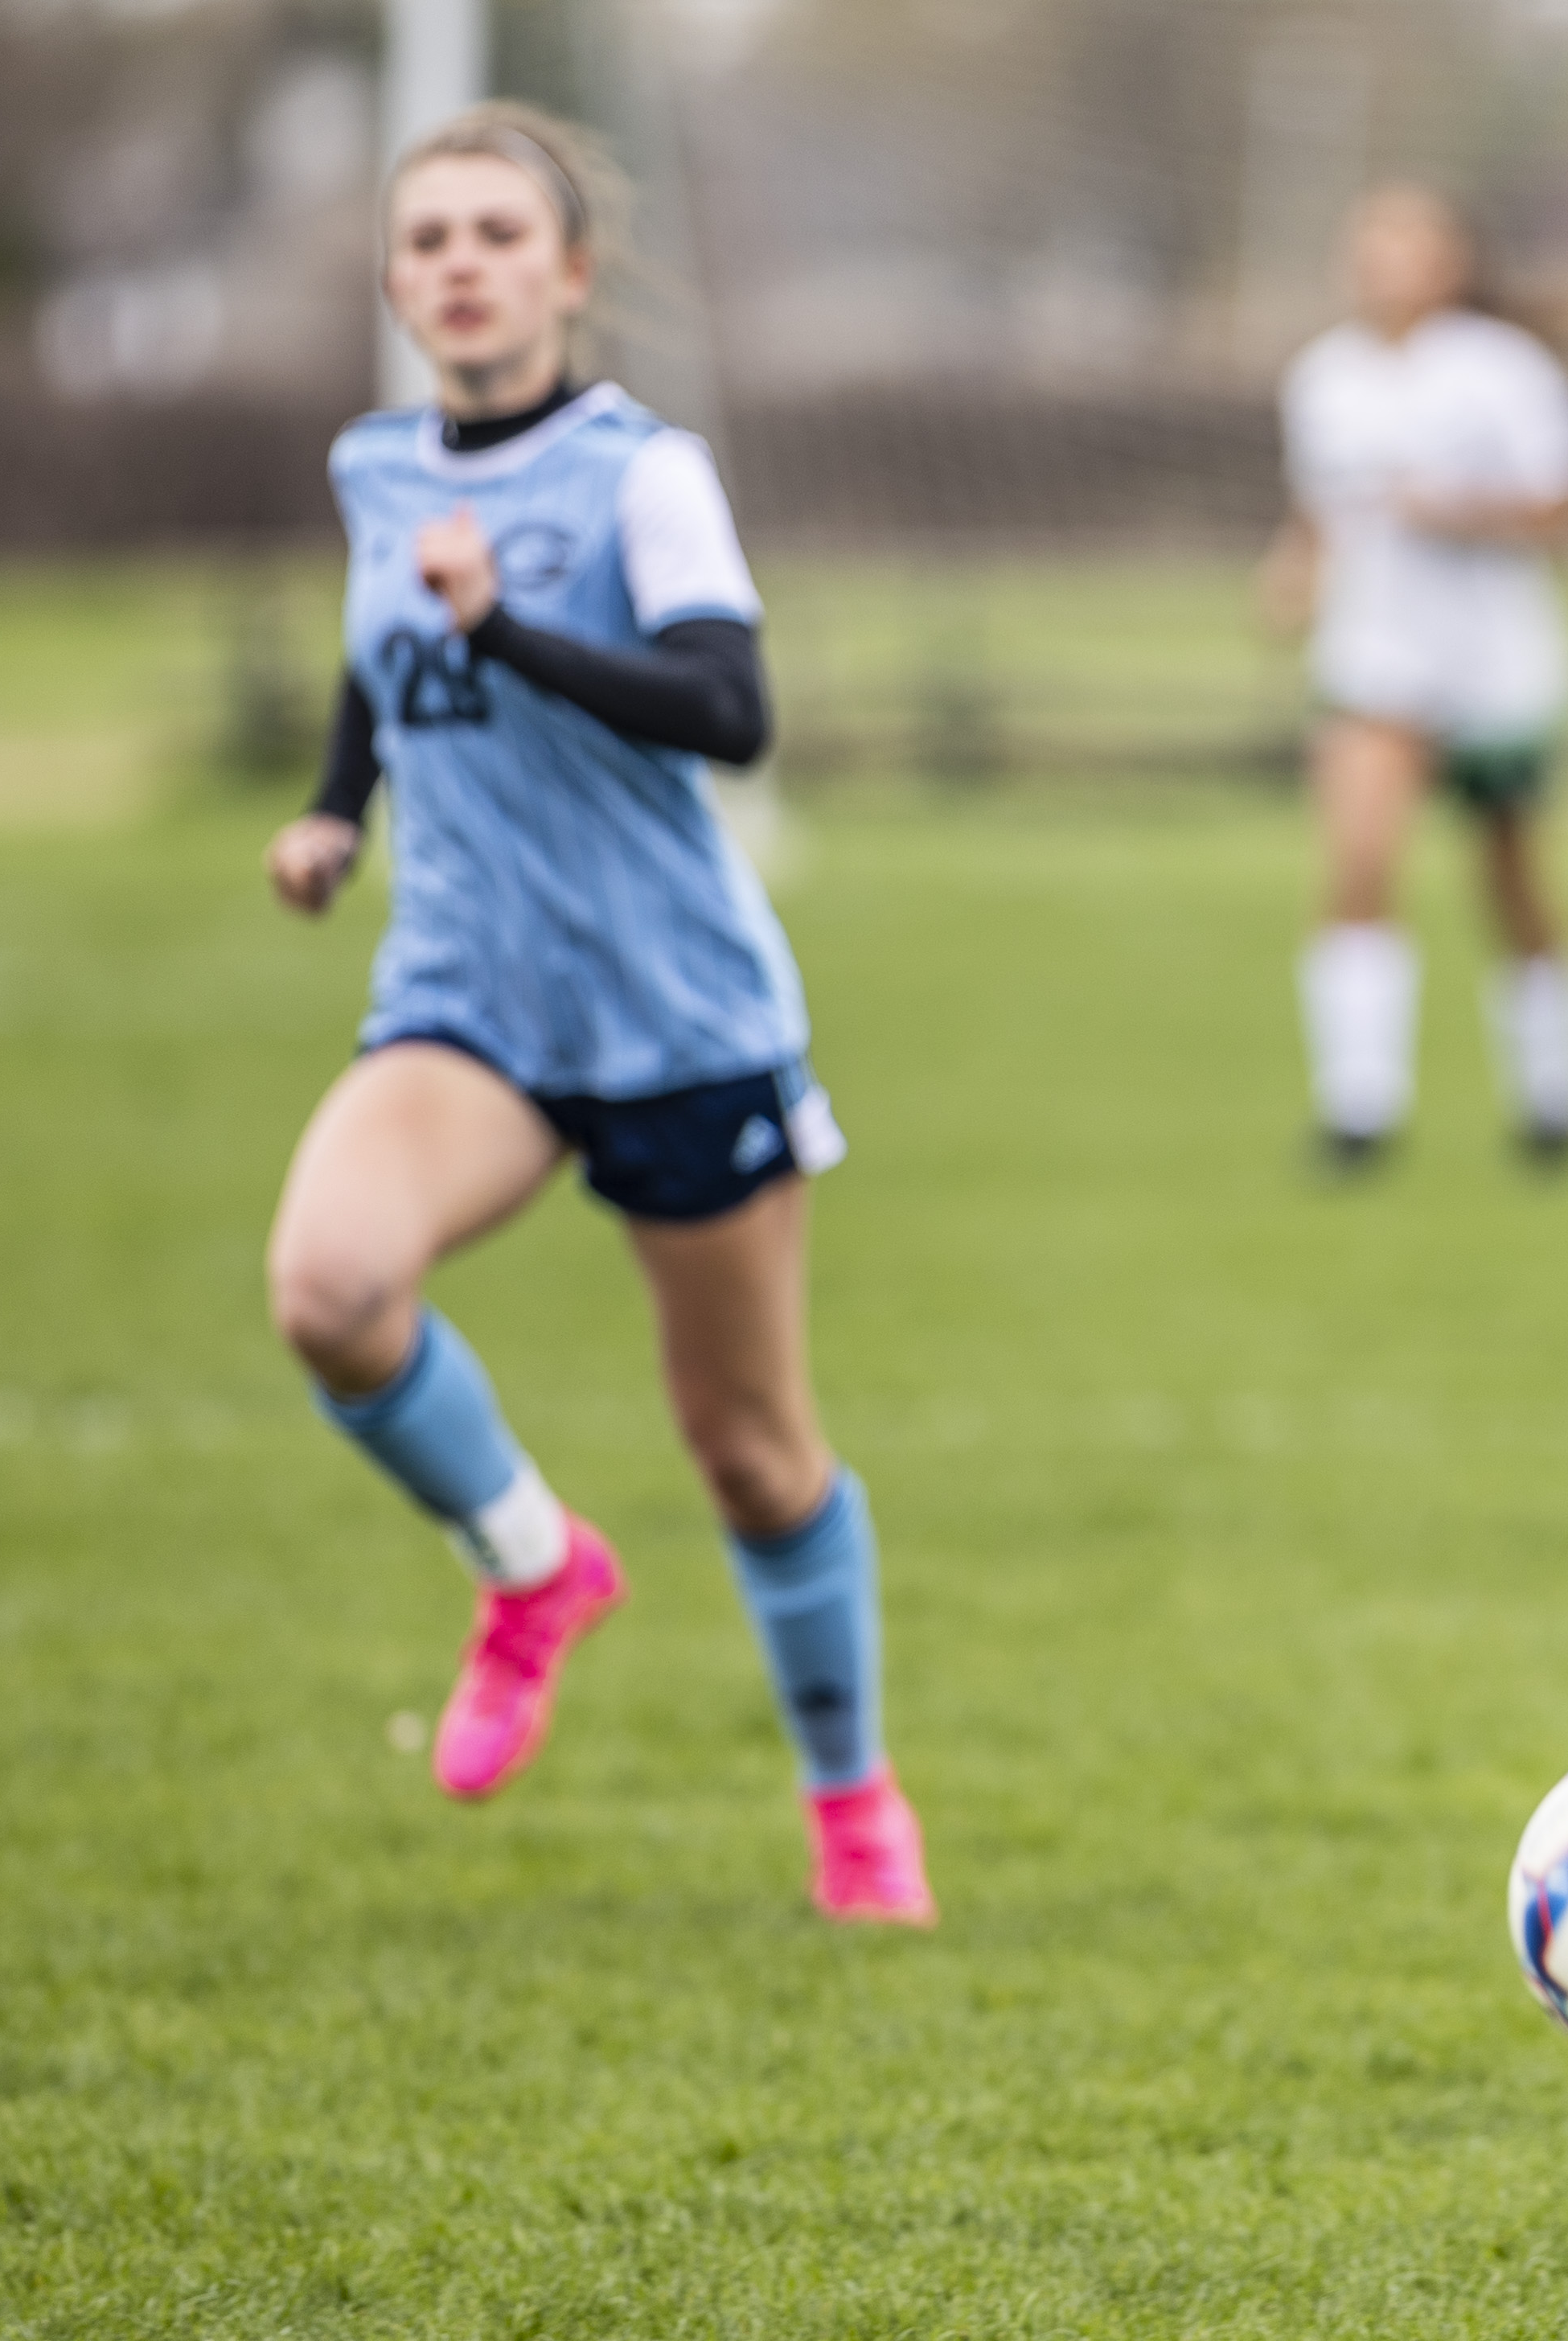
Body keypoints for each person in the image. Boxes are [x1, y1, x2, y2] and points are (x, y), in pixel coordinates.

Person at [258, 103, 933, 1925]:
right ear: (398, 282)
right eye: (428, 240)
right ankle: (531, 1566)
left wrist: (504, 633)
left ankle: (852, 1797)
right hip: (470, 1002)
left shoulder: (644, 472)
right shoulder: (380, 469)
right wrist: (338, 807)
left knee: (749, 1446)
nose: (459, 264)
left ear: (567, 272)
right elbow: (372, 648)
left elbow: (729, 707)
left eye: (495, 233)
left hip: (674, 1013)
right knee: (328, 1284)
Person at [1264, 184, 1568, 1168]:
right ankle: (1358, 1108)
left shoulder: (1501, 369)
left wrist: (1460, 512)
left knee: (1509, 878)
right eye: (1367, 244)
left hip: (1496, 663)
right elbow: (1318, 516)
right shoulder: (1320, 378)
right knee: (1360, 859)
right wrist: (1291, 575)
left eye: (1404, 245)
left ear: (1450, 261)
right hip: (1372, 660)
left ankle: (1555, 1092)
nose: (1381, 264)